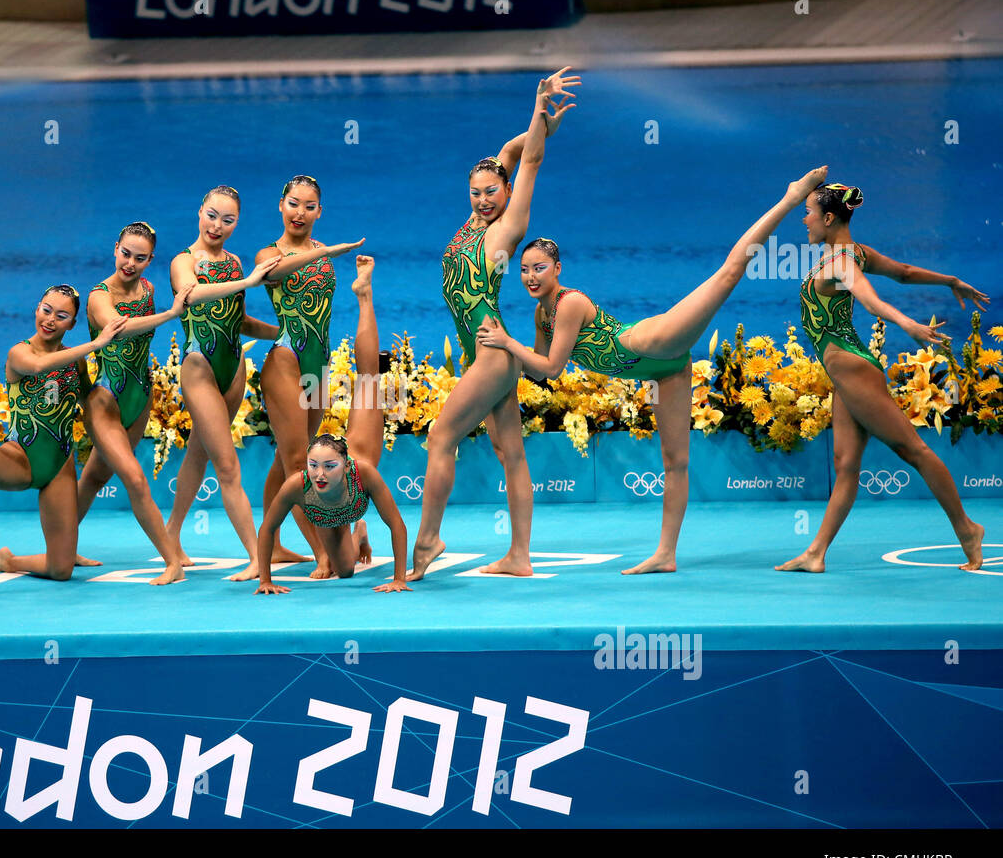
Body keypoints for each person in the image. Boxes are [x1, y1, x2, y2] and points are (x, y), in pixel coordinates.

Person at [478, 167, 832, 573]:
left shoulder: (569, 304)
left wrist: (506, 343)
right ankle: (666, 554)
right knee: (674, 460)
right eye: (523, 270)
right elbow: (541, 374)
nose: (530, 277)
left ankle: (789, 197)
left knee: (730, 272)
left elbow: (554, 364)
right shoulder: (541, 314)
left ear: (558, 270)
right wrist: (496, 373)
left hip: (658, 341)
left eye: (539, 268)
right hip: (664, 372)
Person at [408, 67, 578, 581]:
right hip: (482, 354)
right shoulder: (475, 223)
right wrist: (542, 123)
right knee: (510, 452)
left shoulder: (506, 230)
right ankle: (519, 557)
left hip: (492, 353)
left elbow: (525, 160)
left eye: (492, 191)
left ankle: (428, 540)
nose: (484, 198)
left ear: (506, 193)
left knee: (441, 437)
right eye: (475, 191)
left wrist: (537, 109)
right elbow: (509, 151)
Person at [775, 182, 987, 572]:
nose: (803, 220)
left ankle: (968, 530)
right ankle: (816, 553)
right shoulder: (852, 253)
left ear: (827, 218)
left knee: (914, 451)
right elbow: (904, 273)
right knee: (845, 465)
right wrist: (950, 280)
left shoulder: (842, 262)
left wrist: (909, 323)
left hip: (854, 370)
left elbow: (872, 300)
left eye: (807, 212)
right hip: (845, 375)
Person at [0, 285, 121, 597]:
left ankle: (10, 561)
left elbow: (90, 402)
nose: (50, 319)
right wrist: (97, 343)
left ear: (71, 325)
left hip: (59, 468)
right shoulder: (20, 353)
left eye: (62, 316)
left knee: (61, 570)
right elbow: (39, 367)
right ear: (37, 309)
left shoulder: (75, 362)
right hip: (20, 459)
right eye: (46, 310)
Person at [256, 255, 410, 593]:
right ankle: (357, 534)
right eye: (314, 466)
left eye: (328, 466)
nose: (319, 474)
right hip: (333, 516)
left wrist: (399, 578)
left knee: (369, 378)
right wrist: (265, 580)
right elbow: (267, 528)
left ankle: (364, 293)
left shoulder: (362, 471)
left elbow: (396, 524)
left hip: (356, 468)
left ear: (344, 465)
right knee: (346, 572)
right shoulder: (301, 483)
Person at [168, 185, 284, 581]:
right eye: (212, 215)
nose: (218, 225)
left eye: (228, 220)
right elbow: (192, 295)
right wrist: (248, 283)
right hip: (199, 368)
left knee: (199, 453)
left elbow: (240, 320)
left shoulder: (235, 263)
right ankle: (258, 556)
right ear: (199, 212)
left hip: (232, 369)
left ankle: (171, 535)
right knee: (228, 466)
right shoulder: (182, 261)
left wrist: (286, 331)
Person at [69, 221, 193, 585]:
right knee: (137, 482)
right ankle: (171, 562)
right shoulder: (98, 296)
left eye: (140, 258)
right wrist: (172, 314)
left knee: (93, 477)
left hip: (140, 397)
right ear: (115, 249)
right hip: (105, 401)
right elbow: (117, 328)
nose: (130, 263)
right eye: (125, 254)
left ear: (150, 260)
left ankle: (60, 545)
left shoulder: (149, 290)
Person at [256, 174, 366, 577]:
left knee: (287, 459)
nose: (299, 212)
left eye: (309, 206)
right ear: (280, 205)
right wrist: (333, 250)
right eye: (293, 203)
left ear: (319, 211)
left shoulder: (322, 250)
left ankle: (267, 545)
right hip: (286, 360)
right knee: (299, 464)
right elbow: (276, 273)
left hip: (318, 363)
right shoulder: (267, 253)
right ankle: (320, 550)